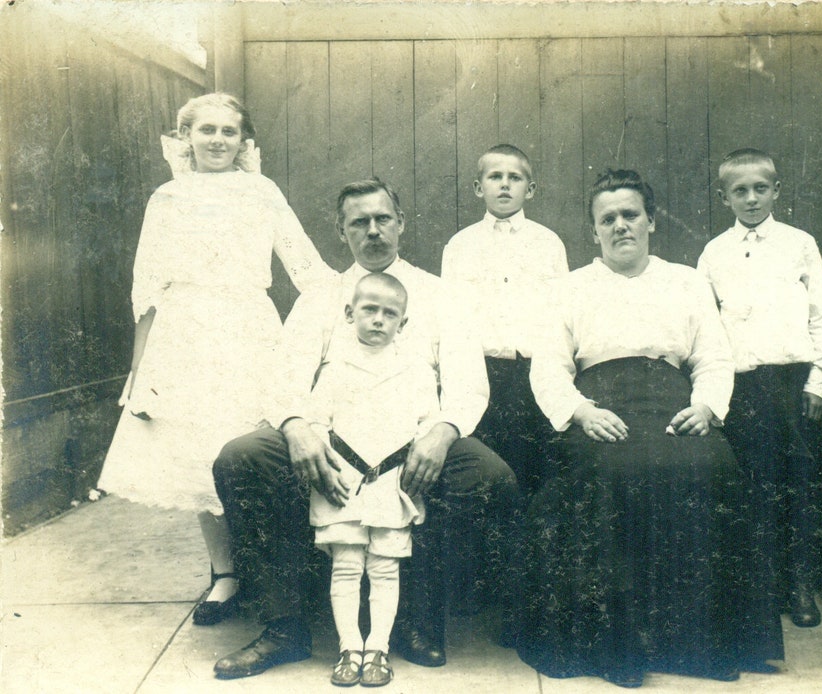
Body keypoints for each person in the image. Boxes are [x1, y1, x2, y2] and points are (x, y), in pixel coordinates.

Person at [212, 179, 521, 680]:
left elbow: (468, 387)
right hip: (334, 439)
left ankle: (417, 620)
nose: (373, 231)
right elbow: (283, 379)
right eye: (359, 222)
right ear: (341, 232)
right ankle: (284, 626)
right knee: (241, 456)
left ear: (401, 222)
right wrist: (295, 427)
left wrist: (442, 433)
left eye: (382, 219)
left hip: (412, 439)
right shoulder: (321, 297)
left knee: (487, 476)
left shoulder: (440, 295)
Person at [517, 169, 783, 687]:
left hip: (672, 406)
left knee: (714, 464)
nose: (620, 226)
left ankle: (701, 646)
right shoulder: (569, 288)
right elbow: (548, 367)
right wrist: (581, 412)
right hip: (601, 410)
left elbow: (713, 357)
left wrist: (706, 407)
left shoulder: (685, 281)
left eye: (630, 215)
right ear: (594, 231)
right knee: (609, 470)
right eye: (608, 218)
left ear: (651, 222)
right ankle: (619, 649)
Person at [96, 93, 332, 627]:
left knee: (256, 449)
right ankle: (225, 574)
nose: (218, 141)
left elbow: (306, 267)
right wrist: (141, 373)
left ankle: (280, 572)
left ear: (244, 142)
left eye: (229, 132)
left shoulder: (261, 191)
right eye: (207, 131)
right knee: (200, 456)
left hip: (248, 332)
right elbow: (147, 290)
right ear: (186, 139)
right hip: (184, 338)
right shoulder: (167, 197)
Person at [697, 148, 822, 628]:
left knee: (796, 484)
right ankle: (757, 591)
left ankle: (799, 584)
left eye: (761, 188)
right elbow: (702, 323)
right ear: (724, 197)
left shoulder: (799, 244)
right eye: (740, 190)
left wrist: (817, 380)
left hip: (791, 384)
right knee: (749, 488)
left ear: (777, 190)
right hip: (740, 388)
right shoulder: (714, 253)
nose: (751, 198)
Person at [305, 272, 434, 687]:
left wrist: (419, 448)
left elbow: (428, 420)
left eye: (390, 313)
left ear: (404, 322)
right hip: (343, 482)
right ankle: (349, 647)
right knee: (345, 567)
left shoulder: (413, 368)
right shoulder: (336, 366)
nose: (379, 320)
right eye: (369, 310)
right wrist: (329, 462)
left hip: (391, 482)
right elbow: (315, 421)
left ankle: (378, 648)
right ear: (349, 313)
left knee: (384, 568)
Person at [441, 144, 568, 497]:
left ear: (531, 189)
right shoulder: (459, 245)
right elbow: (451, 318)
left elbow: (561, 313)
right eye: (495, 176)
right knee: (489, 473)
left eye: (515, 178)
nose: (504, 185)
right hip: (480, 375)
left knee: (536, 471)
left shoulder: (548, 243)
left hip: (534, 375)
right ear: (478, 187)